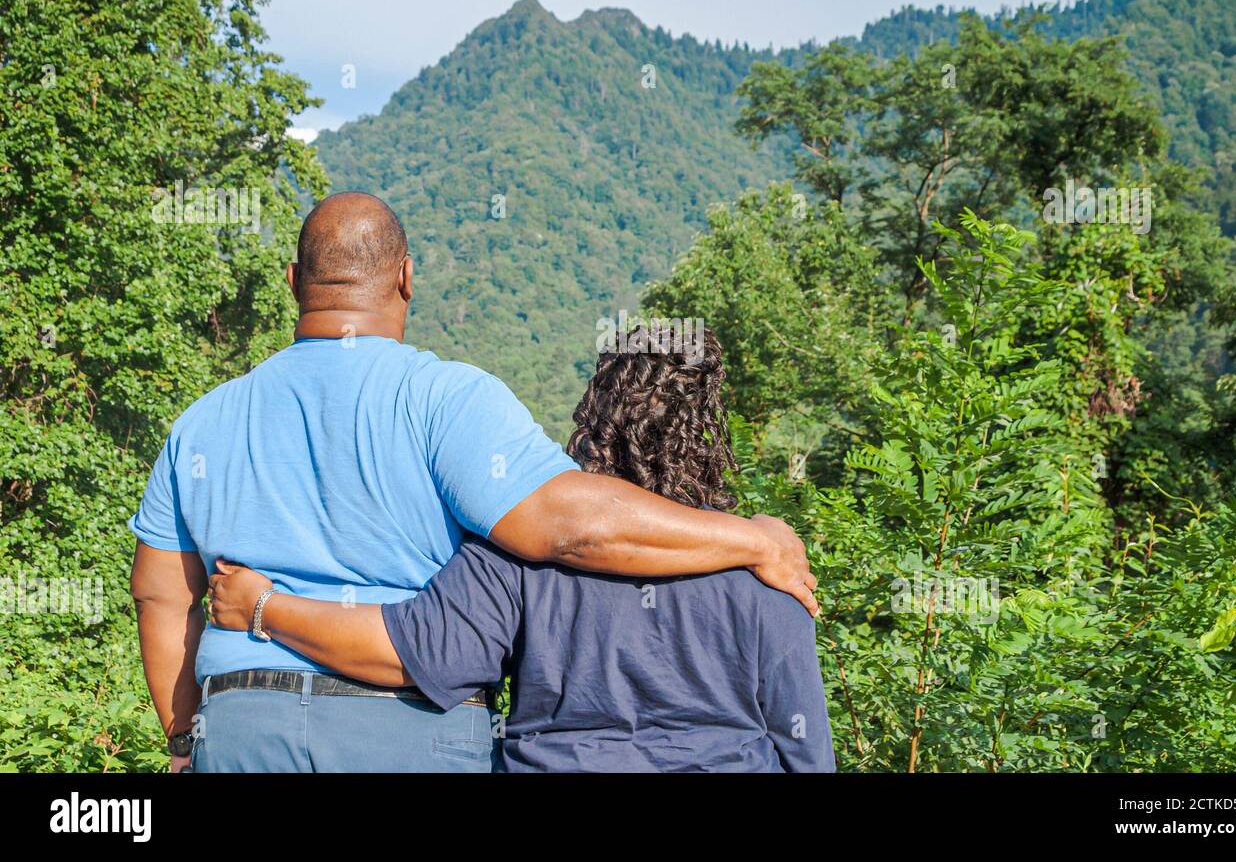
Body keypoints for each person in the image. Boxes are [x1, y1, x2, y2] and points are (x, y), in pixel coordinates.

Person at [128, 192, 817, 773]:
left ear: (291, 281)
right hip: (407, 728)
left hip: (243, 724)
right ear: (405, 278)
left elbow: (161, 596)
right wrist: (752, 540)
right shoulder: (448, 399)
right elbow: (571, 526)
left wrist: (186, 735)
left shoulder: (202, 422)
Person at [210, 325, 835, 772]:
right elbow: (803, 745)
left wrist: (264, 606)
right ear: (709, 430)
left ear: (594, 413)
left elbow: (421, 653)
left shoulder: (515, 554)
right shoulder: (769, 568)